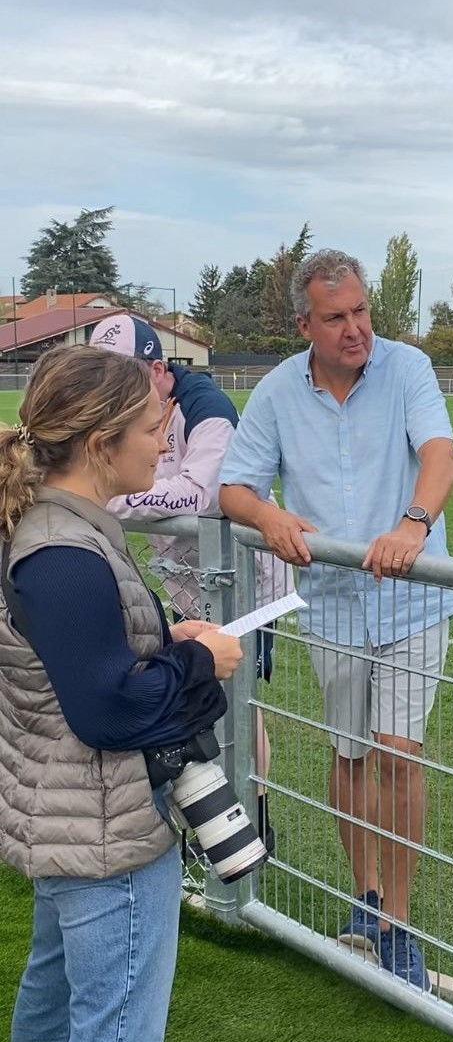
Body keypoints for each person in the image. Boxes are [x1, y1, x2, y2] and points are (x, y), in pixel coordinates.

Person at [0, 345, 242, 1042]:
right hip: (105, 828)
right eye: (149, 427)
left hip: (70, 815)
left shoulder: (57, 529)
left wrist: (162, 640)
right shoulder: (63, 551)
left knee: (55, 999)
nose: (164, 443)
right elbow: (106, 708)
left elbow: (76, 659)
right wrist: (199, 662)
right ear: (102, 443)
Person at [218, 248, 453, 990]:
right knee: (350, 753)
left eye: (361, 310)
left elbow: (441, 455)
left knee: (398, 753)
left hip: (412, 602)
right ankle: (367, 897)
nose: (355, 328)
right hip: (331, 606)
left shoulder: (408, 368)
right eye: (335, 317)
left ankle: (400, 924)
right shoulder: (276, 392)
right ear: (304, 325)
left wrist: (414, 523)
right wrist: (269, 516)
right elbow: (234, 487)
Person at [90, 312, 293, 851]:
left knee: (235, 699)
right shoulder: (117, 416)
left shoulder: (206, 407)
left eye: (124, 375)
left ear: (158, 370)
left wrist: (110, 499)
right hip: (187, 582)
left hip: (243, 582)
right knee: (194, 696)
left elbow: (200, 493)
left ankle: (253, 816)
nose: (110, 389)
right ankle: (209, 818)